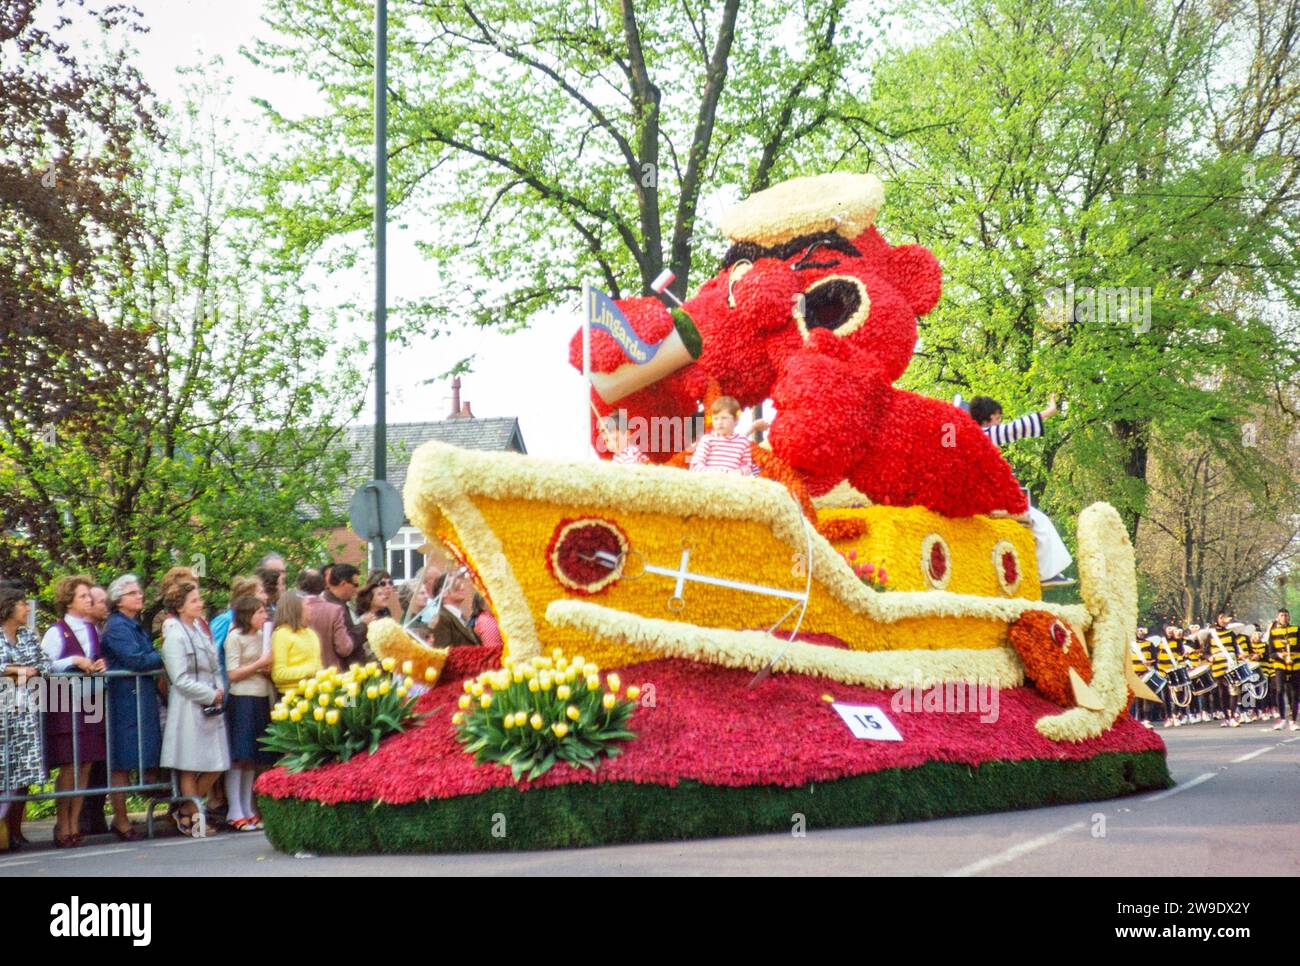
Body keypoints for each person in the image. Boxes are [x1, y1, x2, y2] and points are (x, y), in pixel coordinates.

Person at [967, 395, 1073, 586]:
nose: (1000, 423)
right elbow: (1017, 427)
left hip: (978, 497)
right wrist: (1049, 411)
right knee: (1040, 520)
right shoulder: (986, 435)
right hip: (989, 500)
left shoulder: (964, 437)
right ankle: (1045, 573)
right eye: (998, 418)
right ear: (990, 418)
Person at [40, 575, 108, 848]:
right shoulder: (56, 632)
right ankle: (62, 822)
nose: (88, 600)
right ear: (68, 601)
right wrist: (73, 660)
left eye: (89, 596)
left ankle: (75, 820)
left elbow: (98, 659)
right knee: (69, 763)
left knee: (87, 762)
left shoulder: (94, 630)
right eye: (82, 596)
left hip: (90, 701)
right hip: (65, 703)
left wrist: (100, 664)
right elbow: (44, 664)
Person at [159, 581, 230, 838]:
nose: (200, 604)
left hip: (211, 705)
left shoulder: (200, 630)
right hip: (188, 706)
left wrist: (219, 690)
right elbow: (179, 678)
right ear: (180, 606)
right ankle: (195, 820)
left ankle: (187, 809)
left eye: (199, 600)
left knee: (218, 762)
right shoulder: (175, 635)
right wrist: (210, 694)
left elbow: (215, 666)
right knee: (189, 765)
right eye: (194, 601)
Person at [100, 574, 162, 842]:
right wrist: (164, 653)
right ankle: (121, 818)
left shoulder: (133, 625)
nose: (140, 596)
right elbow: (136, 659)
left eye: (139, 591)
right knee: (122, 763)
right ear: (118, 600)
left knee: (143, 758)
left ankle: (153, 806)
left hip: (140, 699)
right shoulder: (116, 626)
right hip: (124, 700)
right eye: (133, 593)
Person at [0, 586, 48, 852]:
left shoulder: (28, 637)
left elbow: (46, 664)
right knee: (2, 772)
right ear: (8, 606)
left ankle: (13, 831)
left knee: (21, 775)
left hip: (25, 715)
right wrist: (12, 670)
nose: (27, 609)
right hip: (2, 716)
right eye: (22, 604)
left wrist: (34, 671)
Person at [223, 596, 275, 830]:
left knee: (252, 756)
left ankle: (248, 807)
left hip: (261, 695)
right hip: (242, 697)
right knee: (240, 754)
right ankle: (235, 809)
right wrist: (258, 664)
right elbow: (233, 673)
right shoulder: (235, 637)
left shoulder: (263, 637)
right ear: (247, 615)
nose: (264, 616)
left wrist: (267, 668)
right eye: (259, 612)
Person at [299, 569, 353, 670]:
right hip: (331, 675)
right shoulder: (334, 610)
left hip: (301, 676)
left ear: (299, 586)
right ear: (323, 585)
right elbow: (344, 648)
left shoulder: (291, 610)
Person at [689, 396, 757, 475]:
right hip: (708, 480)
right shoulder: (707, 439)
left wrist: (739, 472)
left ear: (736, 420)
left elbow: (747, 466)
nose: (719, 422)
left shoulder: (743, 442)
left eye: (724, 418)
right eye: (715, 418)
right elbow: (695, 464)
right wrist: (712, 473)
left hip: (731, 482)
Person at [270, 591, 322, 692]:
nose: (311, 609)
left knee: (351, 698)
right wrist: (310, 671)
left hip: (314, 694)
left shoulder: (311, 633)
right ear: (297, 609)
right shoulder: (281, 634)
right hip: (291, 697)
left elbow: (317, 665)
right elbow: (278, 674)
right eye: (308, 605)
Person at [323, 564, 368, 658]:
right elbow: (345, 646)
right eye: (355, 585)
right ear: (343, 584)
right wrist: (363, 625)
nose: (356, 590)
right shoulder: (334, 608)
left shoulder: (337, 603)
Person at [428, 571, 482, 647]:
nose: (462, 587)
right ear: (443, 593)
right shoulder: (442, 618)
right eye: (456, 585)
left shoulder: (459, 616)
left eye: (461, 584)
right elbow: (444, 653)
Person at [1267, 609, 1298, 731]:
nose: (1284, 618)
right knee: (1280, 690)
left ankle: (1293, 720)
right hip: (1280, 665)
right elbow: (1271, 653)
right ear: (1278, 617)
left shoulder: (1296, 629)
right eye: (1282, 615)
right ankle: (1282, 719)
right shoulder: (1273, 632)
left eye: (1286, 615)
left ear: (1289, 617)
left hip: (1295, 664)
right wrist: (1280, 655)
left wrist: (1291, 650)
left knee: (1295, 692)